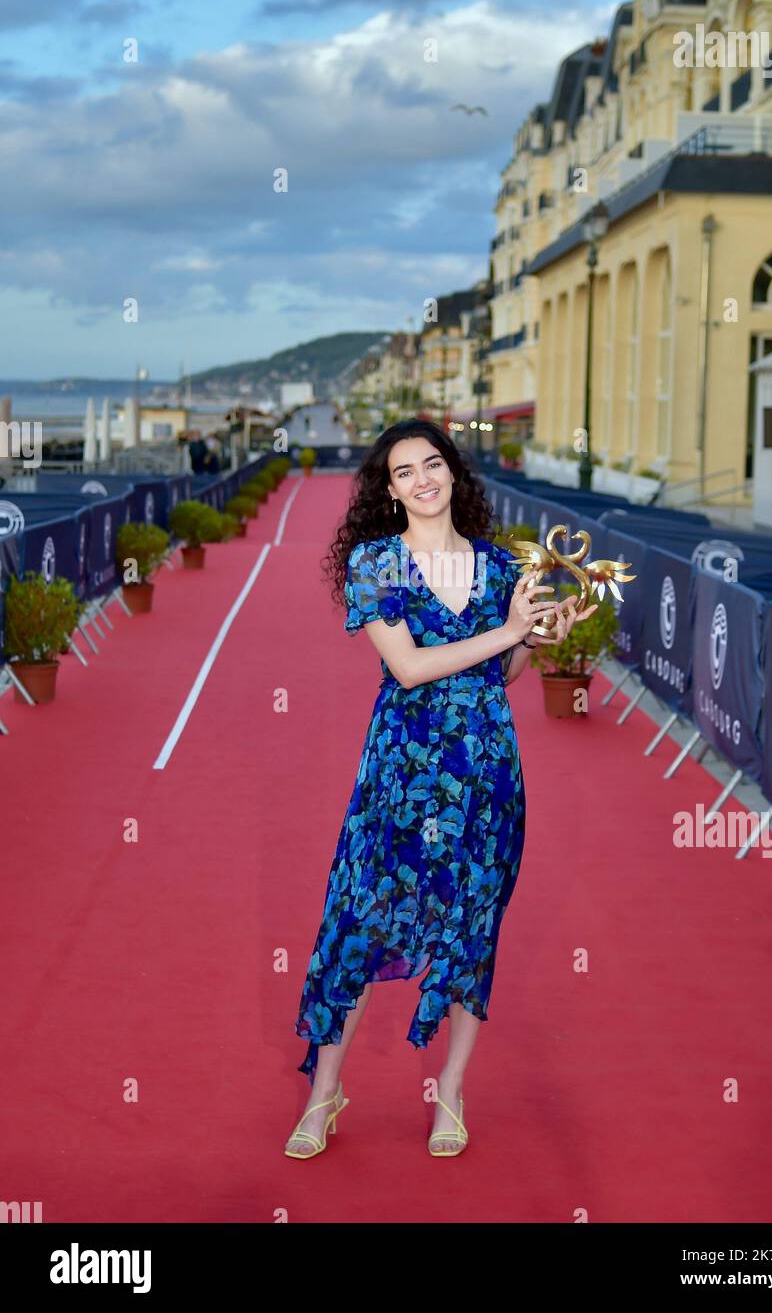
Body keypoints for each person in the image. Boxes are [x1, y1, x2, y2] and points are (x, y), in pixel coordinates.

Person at [285, 418, 597, 1159]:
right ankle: (324, 1095)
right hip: (398, 775)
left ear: (454, 473)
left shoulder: (497, 568)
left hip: (485, 774)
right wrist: (508, 629)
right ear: (388, 492)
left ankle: (449, 1093)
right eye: (403, 472)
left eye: (432, 463)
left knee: (469, 931)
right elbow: (410, 669)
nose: (422, 479)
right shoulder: (377, 564)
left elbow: (500, 678)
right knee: (359, 925)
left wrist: (531, 639)